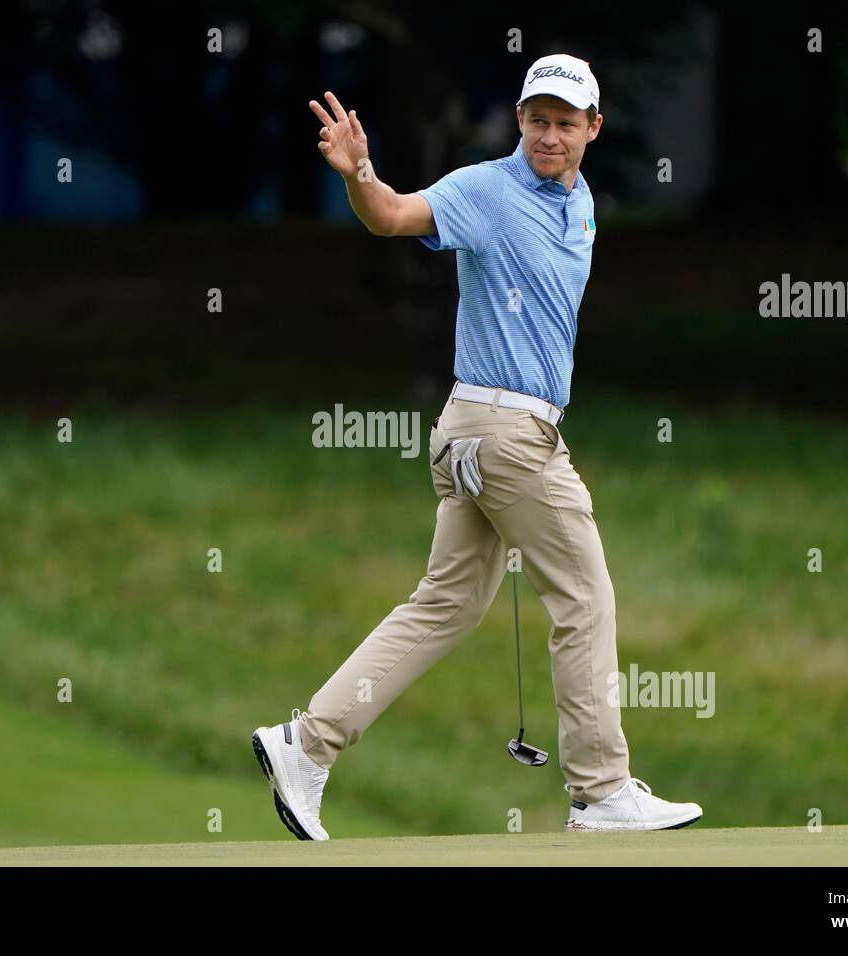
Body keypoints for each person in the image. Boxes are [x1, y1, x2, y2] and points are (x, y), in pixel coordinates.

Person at [252, 54, 703, 839]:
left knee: (445, 606)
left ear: (594, 129)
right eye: (536, 119)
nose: (548, 135)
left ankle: (308, 741)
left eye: (566, 122)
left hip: (476, 430)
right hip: (504, 433)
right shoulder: (485, 189)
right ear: (519, 119)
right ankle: (600, 791)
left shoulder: (583, 201)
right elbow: (391, 215)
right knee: (585, 598)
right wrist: (360, 173)